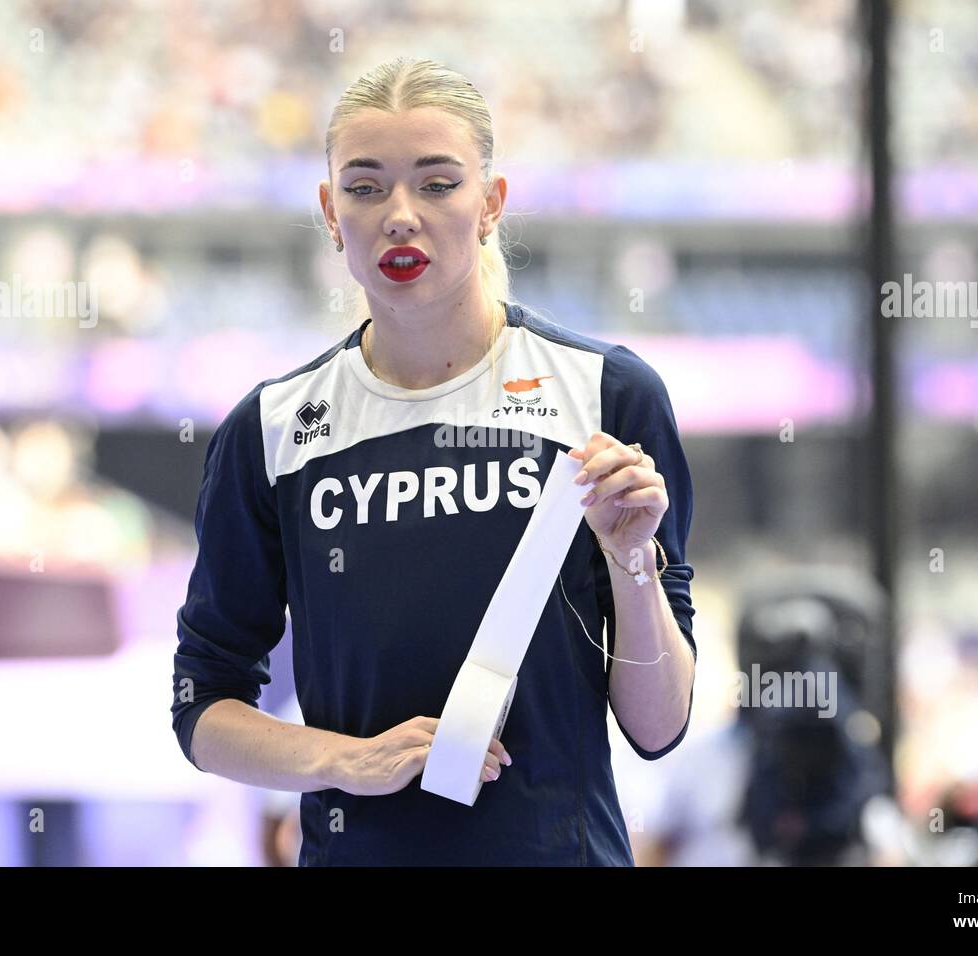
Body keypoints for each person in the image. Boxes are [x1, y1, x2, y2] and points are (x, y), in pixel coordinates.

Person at [171, 57, 697, 865]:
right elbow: (203, 708)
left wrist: (634, 563)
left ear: (491, 204)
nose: (400, 216)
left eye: (439, 184)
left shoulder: (605, 393)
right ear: (329, 211)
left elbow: (659, 727)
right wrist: (346, 760)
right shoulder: (270, 430)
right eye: (366, 186)